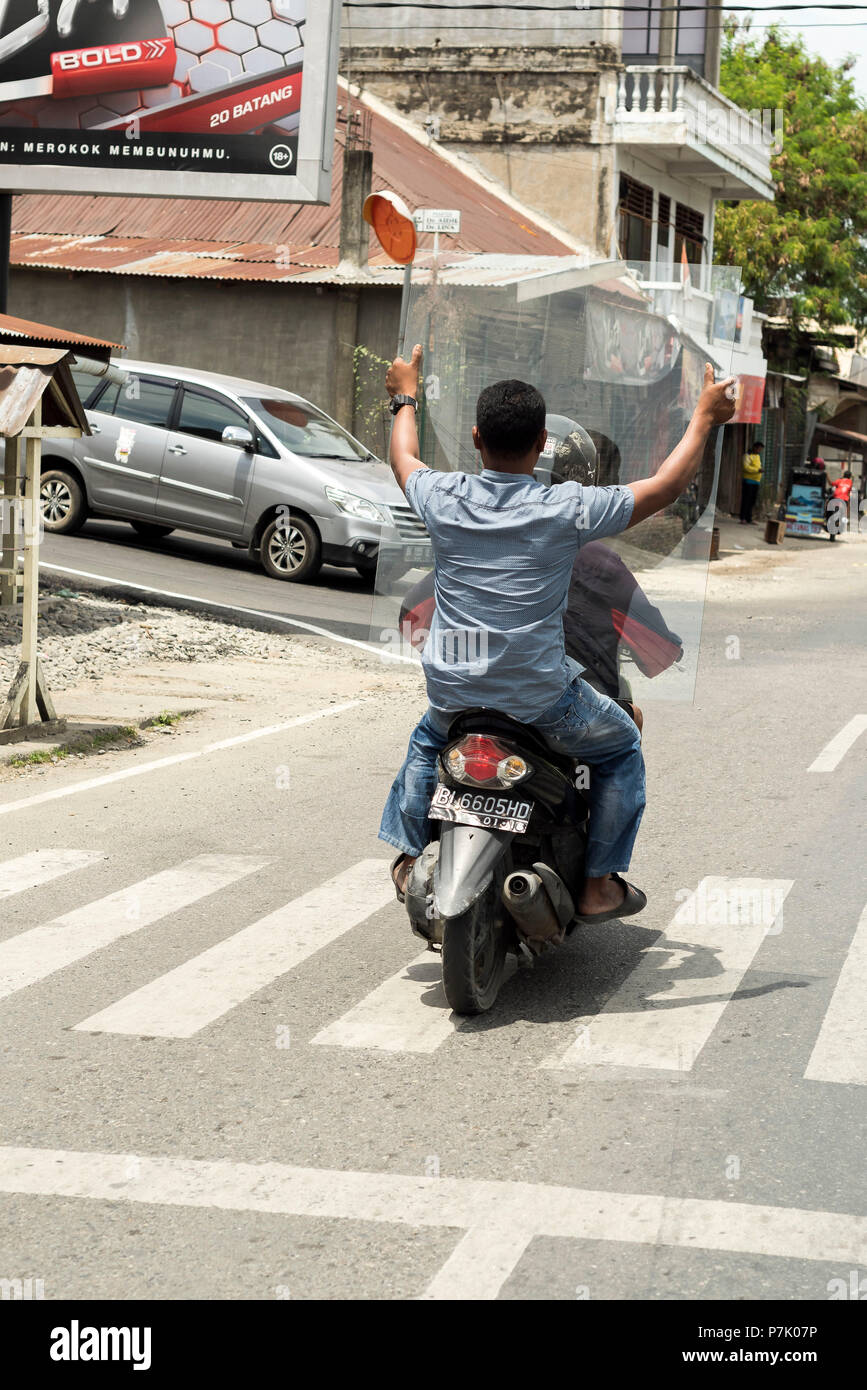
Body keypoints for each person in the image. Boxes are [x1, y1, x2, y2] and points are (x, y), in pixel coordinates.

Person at [380, 348, 735, 923]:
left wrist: (405, 395)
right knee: (622, 747)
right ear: (542, 442)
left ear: (475, 437)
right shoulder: (569, 508)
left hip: (453, 692)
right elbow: (667, 487)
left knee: (427, 742)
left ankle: (405, 856)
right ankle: (597, 885)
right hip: (541, 699)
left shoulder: (441, 496)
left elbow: (403, 457)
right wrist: (703, 418)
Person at [740, 440, 763, 524]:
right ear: (754, 448)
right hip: (748, 481)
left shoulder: (757, 456)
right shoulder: (747, 456)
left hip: (756, 481)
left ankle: (749, 518)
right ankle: (743, 518)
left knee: (752, 501)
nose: (759, 451)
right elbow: (746, 467)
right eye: (759, 449)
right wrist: (757, 470)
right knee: (746, 499)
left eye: (761, 449)